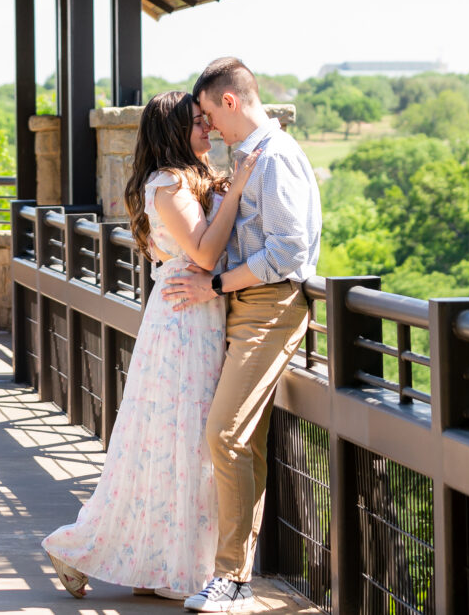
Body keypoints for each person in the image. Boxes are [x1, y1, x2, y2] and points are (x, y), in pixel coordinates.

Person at [43, 90, 260, 601]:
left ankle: (162, 563)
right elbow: (206, 253)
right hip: (183, 325)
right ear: (173, 133)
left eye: (208, 121)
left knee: (176, 445)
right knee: (182, 441)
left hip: (194, 316)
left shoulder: (184, 180)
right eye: (198, 123)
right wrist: (239, 187)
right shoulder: (166, 185)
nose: (207, 129)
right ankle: (80, 547)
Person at [161, 57, 322, 614]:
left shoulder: (275, 158)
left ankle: (230, 579)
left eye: (208, 113)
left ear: (230, 101)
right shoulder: (249, 157)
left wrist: (215, 285)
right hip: (242, 307)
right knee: (243, 444)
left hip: (269, 308)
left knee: (223, 435)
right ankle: (237, 577)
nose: (207, 126)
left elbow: (287, 252)